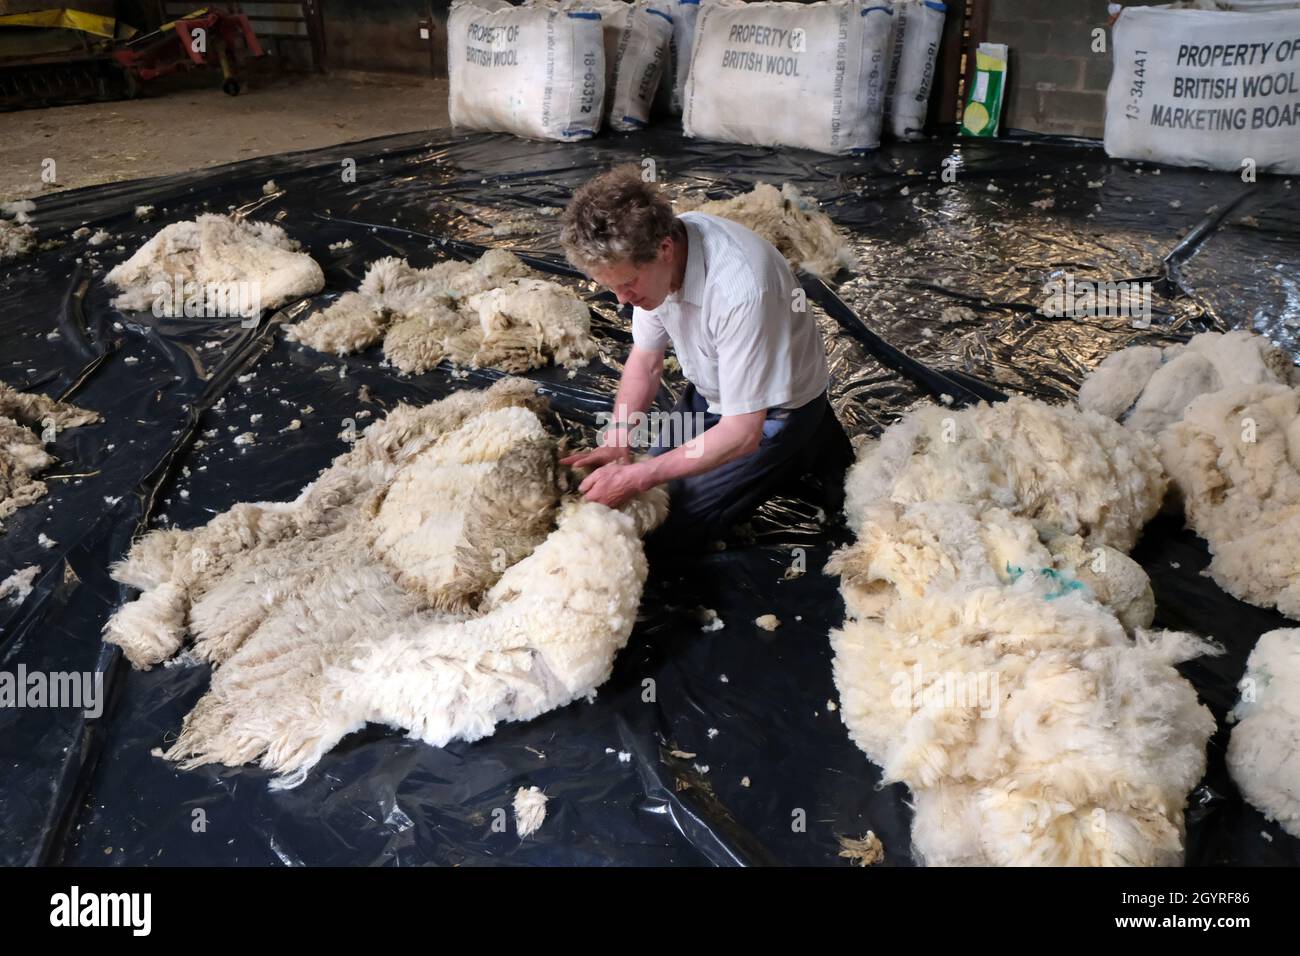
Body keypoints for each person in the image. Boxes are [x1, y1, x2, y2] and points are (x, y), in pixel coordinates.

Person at [558, 165, 852, 545]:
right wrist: (617, 437)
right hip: (712, 394)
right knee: (645, 495)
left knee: (662, 526)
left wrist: (639, 476)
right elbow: (646, 363)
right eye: (611, 287)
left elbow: (741, 433)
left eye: (628, 284)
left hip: (772, 413)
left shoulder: (741, 291)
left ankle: (799, 443)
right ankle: (812, 443)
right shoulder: (656, 252)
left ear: (664, 249)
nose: (621, 300)